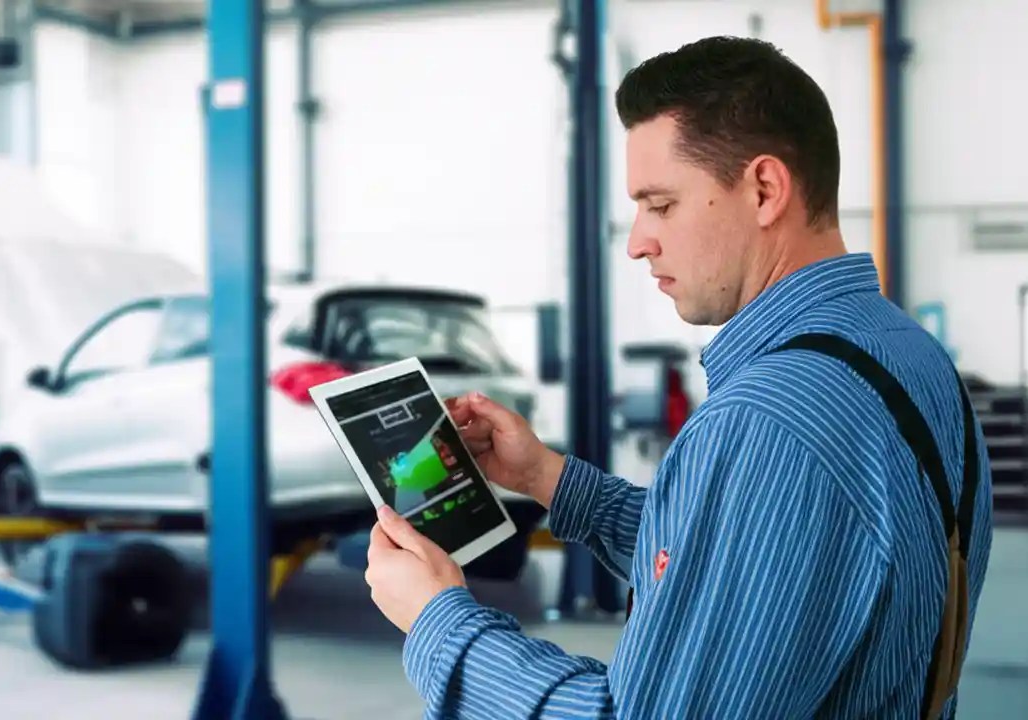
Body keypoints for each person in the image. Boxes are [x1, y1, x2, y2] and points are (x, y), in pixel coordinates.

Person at [363, 36, 993, 718]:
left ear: (764, 190)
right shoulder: (906, 354)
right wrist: (546, 476)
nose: (637, 241)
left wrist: (438, 621)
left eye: (659, 205)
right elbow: (757, 570)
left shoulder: (767, 420)